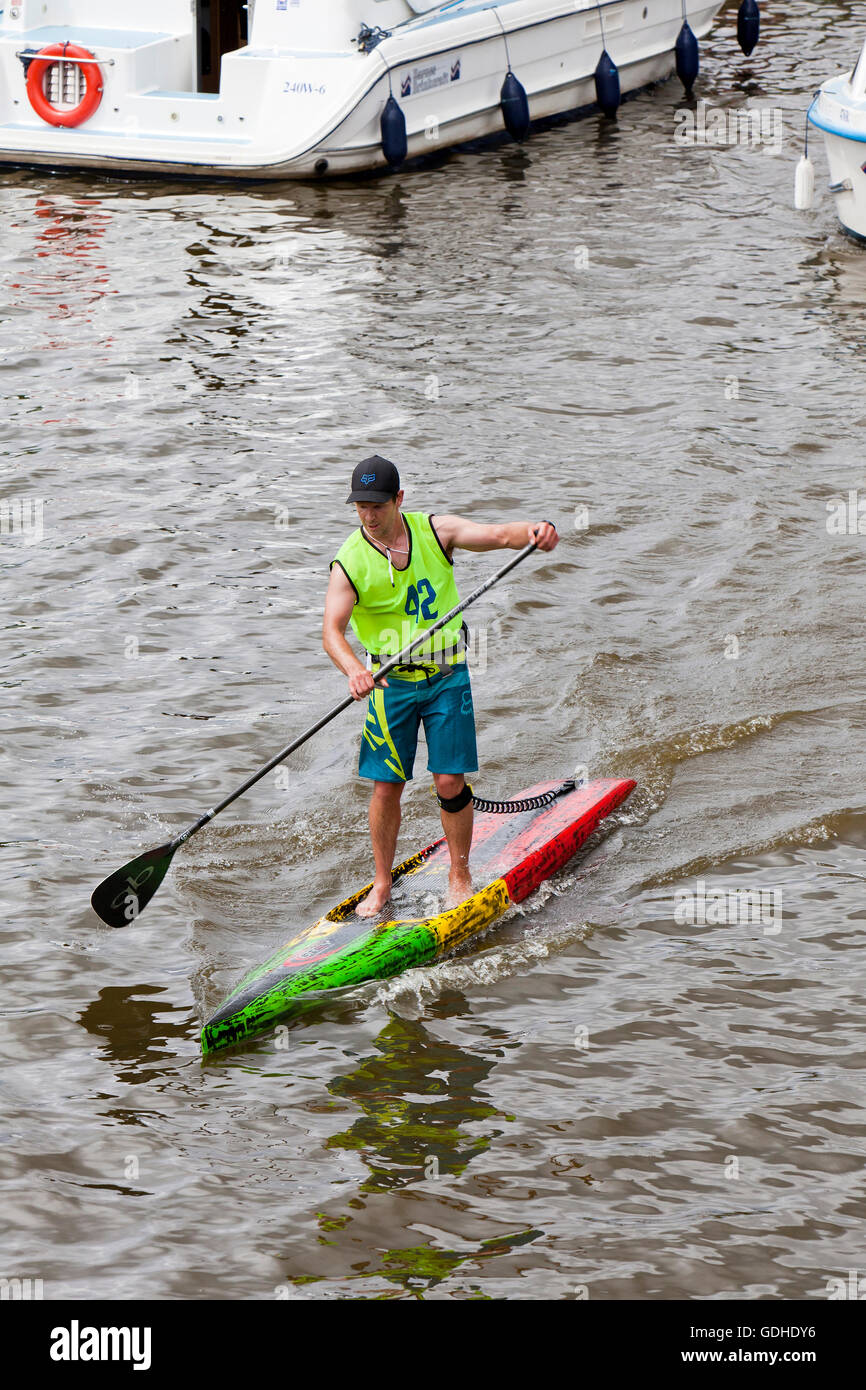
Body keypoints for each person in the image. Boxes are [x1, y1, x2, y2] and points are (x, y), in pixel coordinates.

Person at [322, 455, 558, 917]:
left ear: (398, 500)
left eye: (377, 504)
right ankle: (382, 884)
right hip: (391, 687)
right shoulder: (348, 561)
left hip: (448, 678)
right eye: (360, 506)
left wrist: (537, 529)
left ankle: (459, 874)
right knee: (385, 786)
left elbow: (496, 535)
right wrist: (354, 669)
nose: (368, 515)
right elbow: (332, 632)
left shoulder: (436, 531)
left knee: (449, 780)